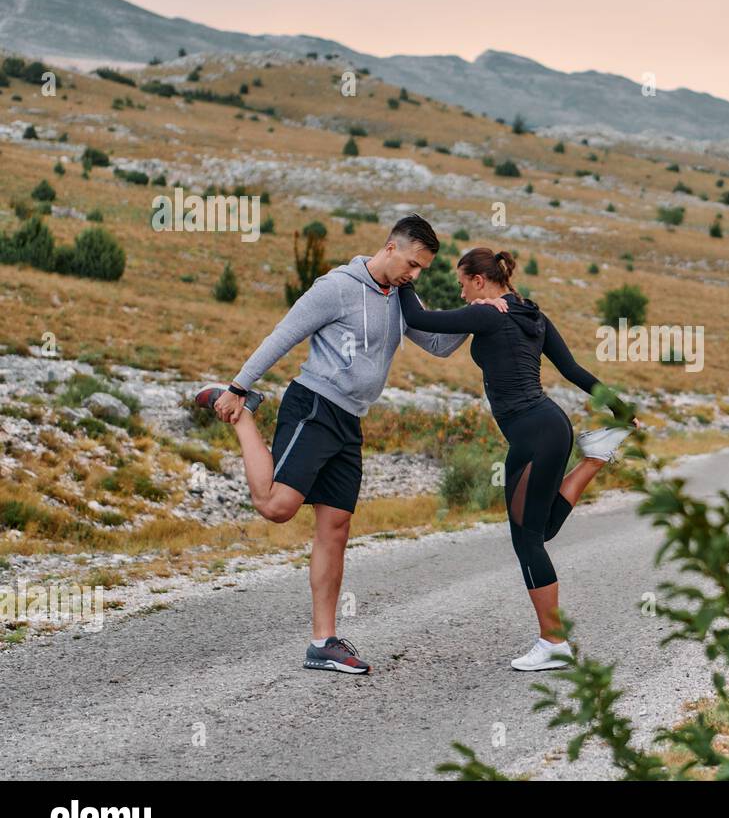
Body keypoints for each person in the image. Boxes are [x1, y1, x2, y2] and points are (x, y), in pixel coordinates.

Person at [193, 215, 506, 674]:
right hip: (315, 405)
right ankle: (244, 416)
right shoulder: (337, 287)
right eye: (412, 264)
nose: (415, 275)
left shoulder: (400, 296)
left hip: (350, 420)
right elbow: (284, 334)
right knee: (277, 506)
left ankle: (323, 642)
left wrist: (480, 310)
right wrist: (239, 387)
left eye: (421, 269)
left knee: (336, 529)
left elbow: (439, 346)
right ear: (390, 248)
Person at [396, 246, 640, 671]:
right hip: (551, 425)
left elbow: (418, 318)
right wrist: (620, 408)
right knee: (540, 531)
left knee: (527, 541)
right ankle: (594, 459)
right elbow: (572, 369)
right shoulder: (533, 314)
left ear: (479, 280)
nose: (462, 294)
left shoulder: (487, 314)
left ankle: (553, 642)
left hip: (533, 433)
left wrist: (401, 278)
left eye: (462, 285)